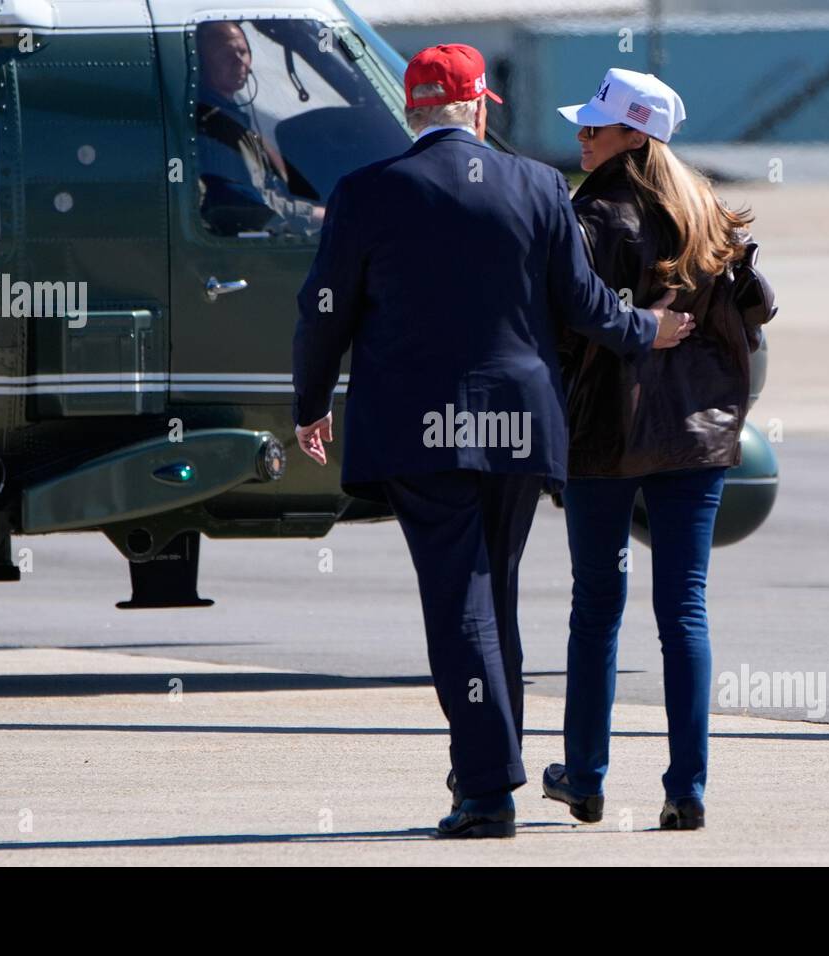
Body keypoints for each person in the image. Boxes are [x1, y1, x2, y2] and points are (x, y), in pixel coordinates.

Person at [291, 45, 694, 838]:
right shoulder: (539, 186)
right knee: (490, 593)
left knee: (460, 601)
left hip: (419, 430)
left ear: (412, 115)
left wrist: (310, 403)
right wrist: (648, 330)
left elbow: (323, 309)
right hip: (518, 426)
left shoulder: (367, 192)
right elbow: (585, 307)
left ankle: (484, 788)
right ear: (479, 111)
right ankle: (492, 757)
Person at [542, 67, 776, 830]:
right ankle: (688, 789)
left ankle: (584, 776)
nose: (581, 136)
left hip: (603, 436)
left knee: (596, 607)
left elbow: (564, 325)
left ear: (634, 136)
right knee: (684, 610)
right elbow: (760, 306)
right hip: (696, 436)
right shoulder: (708, 214)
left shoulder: (591, 216)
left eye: (593, 127)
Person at [195, 20, 322, 238]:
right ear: (202, 61)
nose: (238, 61)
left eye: (243, 52)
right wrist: (313, 215)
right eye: (226, 54)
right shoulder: (214, 126)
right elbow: (245, 200)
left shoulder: (233, 115)